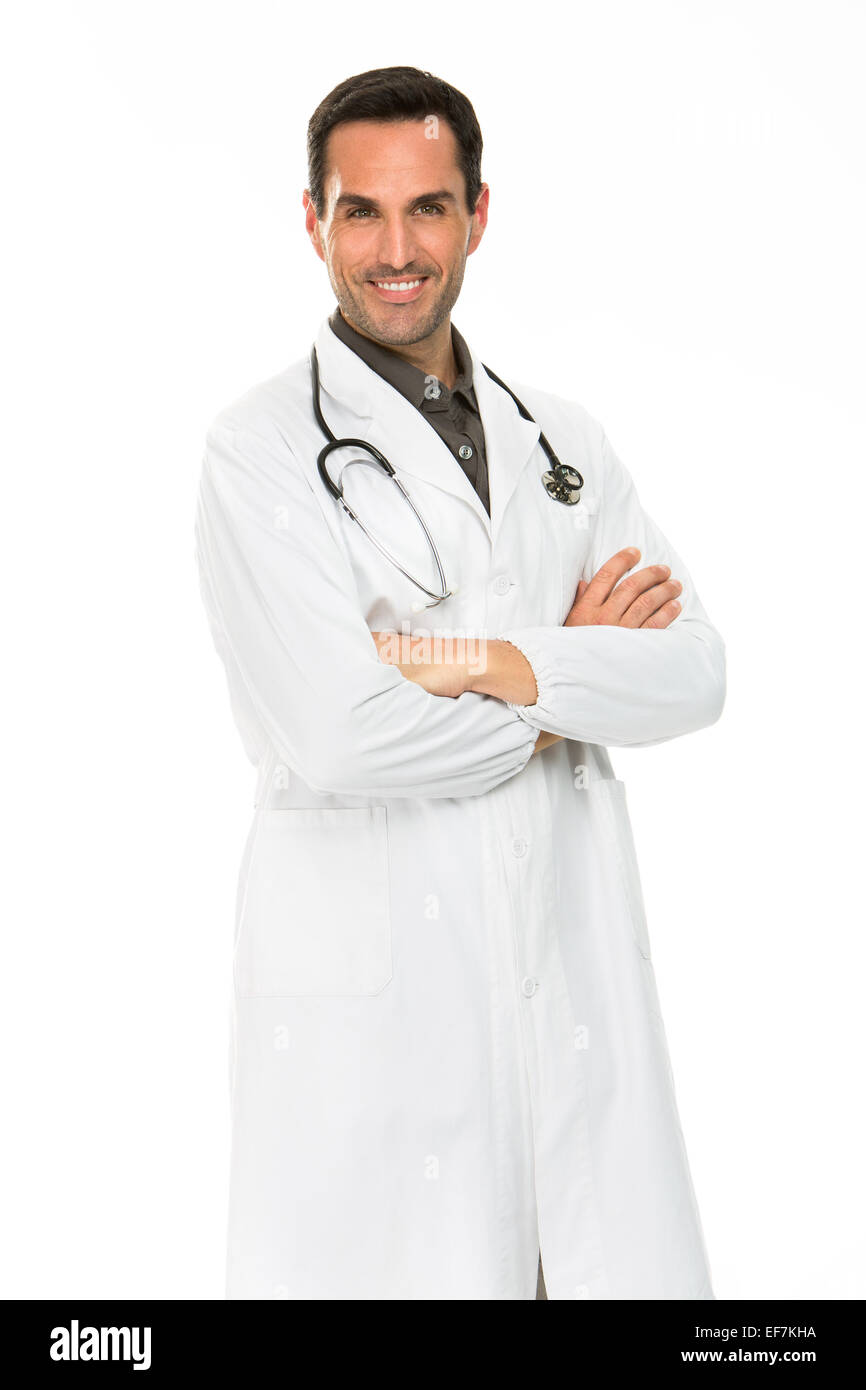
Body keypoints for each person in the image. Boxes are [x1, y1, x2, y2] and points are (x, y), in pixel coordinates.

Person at [194, 65, 726, 1301]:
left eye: (427, 209)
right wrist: (570, 679)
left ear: (477, 216)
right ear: (313, 222)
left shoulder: (563, 442)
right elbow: (341, 733)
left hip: (569, 1005)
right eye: (362, 212)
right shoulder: (260, 450)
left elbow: (692, 671)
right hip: (381, 1047)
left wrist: (484, 664)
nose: (395, 248)